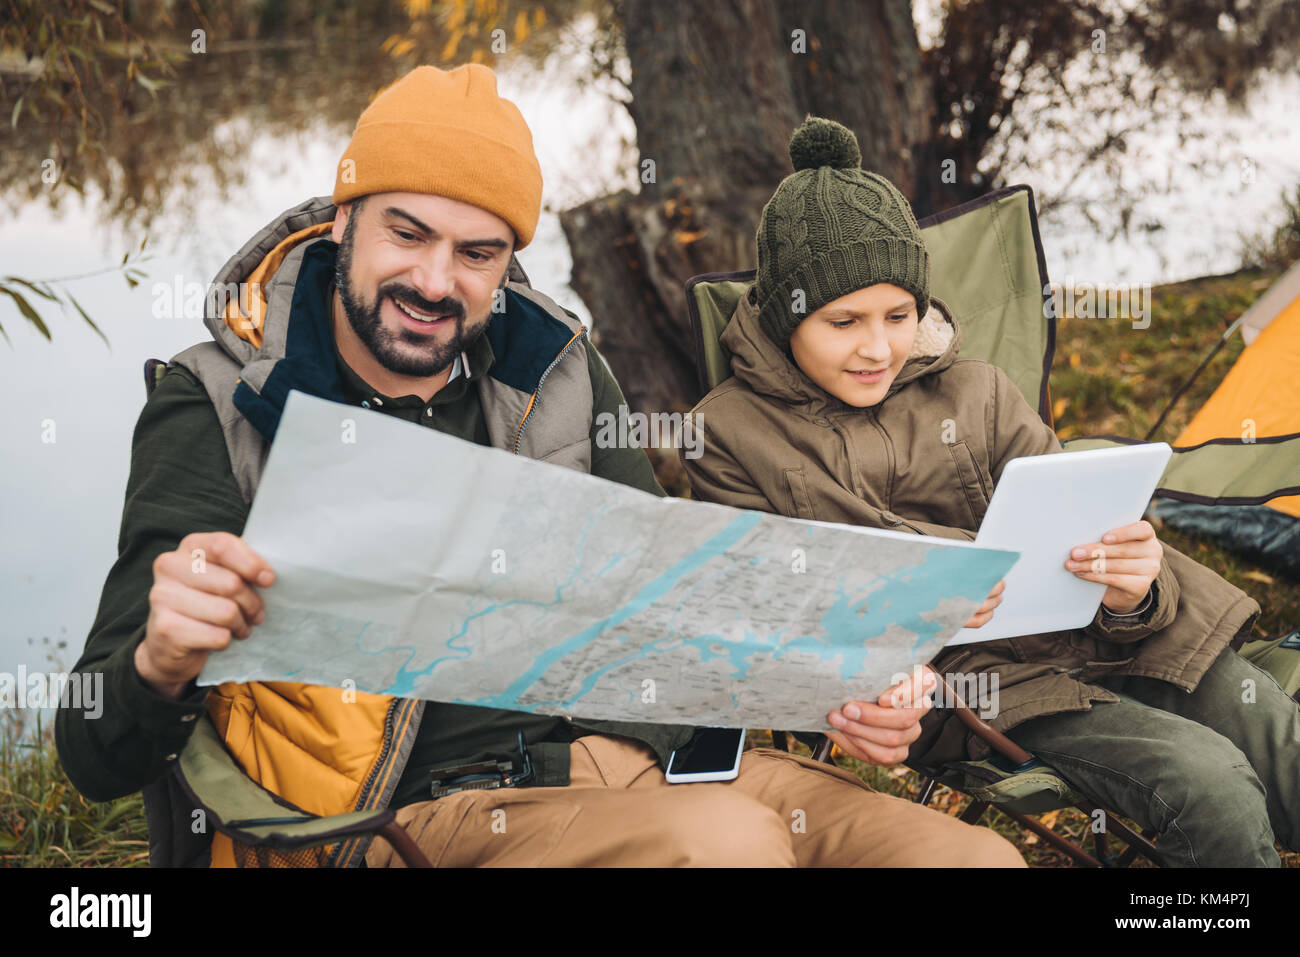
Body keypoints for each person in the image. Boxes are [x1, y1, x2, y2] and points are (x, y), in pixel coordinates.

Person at [56, 68, 1024, 868]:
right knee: (725, 850)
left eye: (477, 253)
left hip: (642, 762)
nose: (436, 283)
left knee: (971, 861)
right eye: (406, 232)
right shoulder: (213, 400)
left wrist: (834, 691)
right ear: (344, 217)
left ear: (509, 259)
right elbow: (93, 749)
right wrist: (161, 659)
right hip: (400, 816)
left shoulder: (558, 368)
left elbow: (671, 601)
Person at [681, 115, 1300, 867]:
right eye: (843, 321)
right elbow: (757, 602)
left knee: (1281, 742)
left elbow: (1088, 522)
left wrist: (1133, 588)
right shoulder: (727, 432)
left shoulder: (977, 390)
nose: (877, 346)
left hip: (1115, 639)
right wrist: (911, 595)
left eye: (898, 316)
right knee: (1215, 787)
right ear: (786, 320)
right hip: (978, 692)